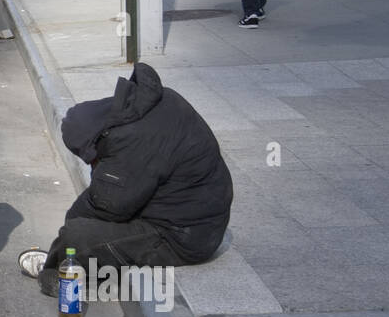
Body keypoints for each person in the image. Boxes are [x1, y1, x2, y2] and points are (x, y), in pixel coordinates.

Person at [17, 62, 233, 295]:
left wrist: (69, 230)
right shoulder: (149, 105)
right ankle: (73, 258)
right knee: (89, 222)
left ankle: (54, 274)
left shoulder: (133, 143)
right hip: (197, 213)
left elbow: (109, 205)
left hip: (185, 237)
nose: (92, 164)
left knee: (78, 236)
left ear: (95, 143)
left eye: (90, 158)